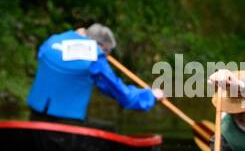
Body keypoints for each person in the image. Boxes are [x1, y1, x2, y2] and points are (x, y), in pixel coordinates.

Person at [26, 25, 158, 127]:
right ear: (100, 46)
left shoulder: (52, 41)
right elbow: (122, 94)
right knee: (109, 129)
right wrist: (150, 95)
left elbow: (42, 56)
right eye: (107, 51)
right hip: (68, 124)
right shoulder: (95, 57)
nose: (106, 57)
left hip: (36, 116)